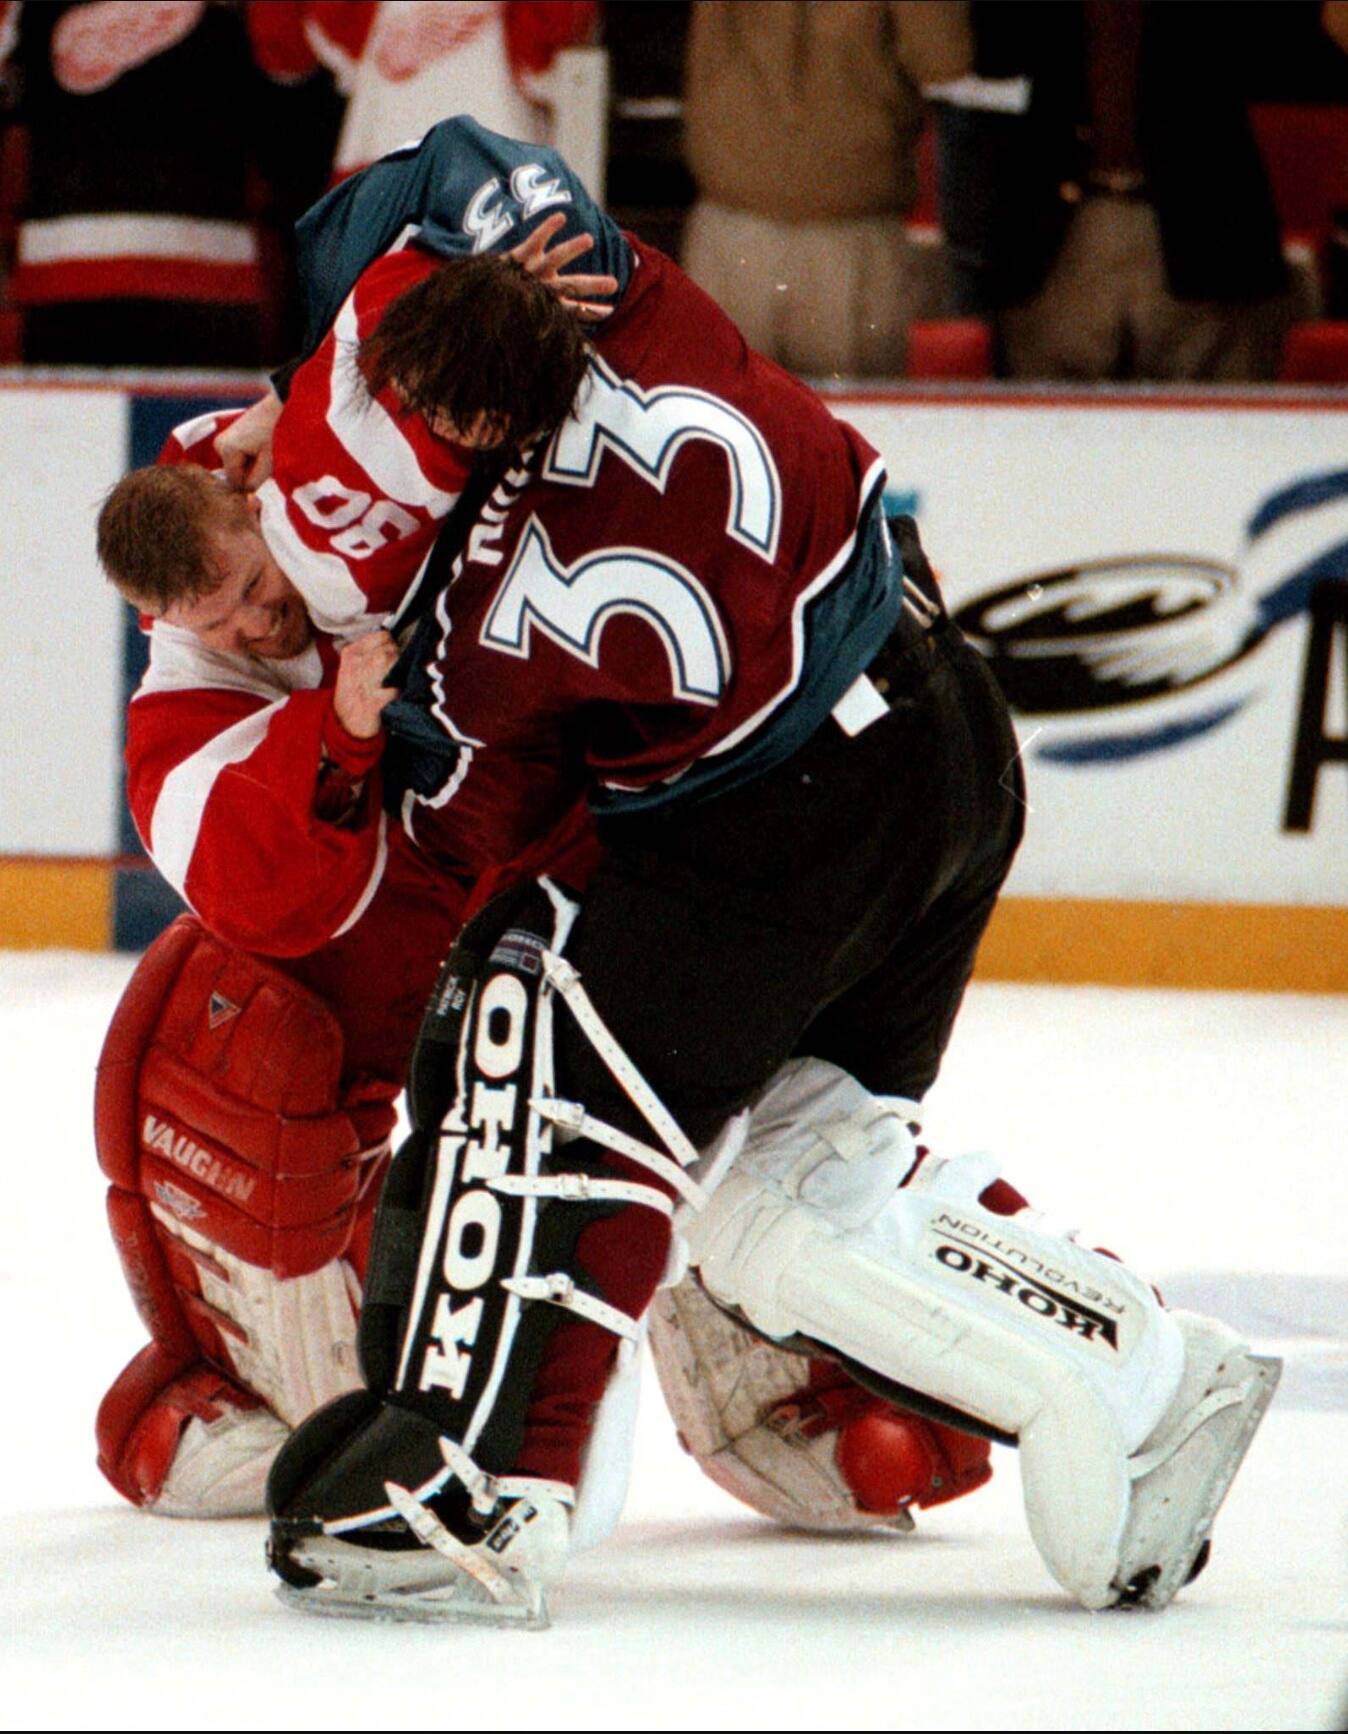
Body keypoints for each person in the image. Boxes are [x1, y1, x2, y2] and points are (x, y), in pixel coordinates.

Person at [259, 155, 1278, 1624]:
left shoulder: (482, 630)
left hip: (790, 830)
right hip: (946, 730)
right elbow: (459, 168)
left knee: (529, 1033)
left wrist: (362, 713)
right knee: (794, 1191)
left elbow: (476, 823)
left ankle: (472, 1488)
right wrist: (482, 266)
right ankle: (1154, 1377)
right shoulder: (626, 293)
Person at [91, 162, 987, 1533]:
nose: (269, 624)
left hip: (592, 826)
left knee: (685, 1073)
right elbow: (246, 886)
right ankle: (268, 1373)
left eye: (265, 589)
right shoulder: (214, 641)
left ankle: (836, 1365)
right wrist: (335, 734)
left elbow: (435, 203)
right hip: (439, 872)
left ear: (252, 485)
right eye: (228, 622)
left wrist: (491, 255)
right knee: (220, 1037)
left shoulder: (343, 434)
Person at [680, 0, 970, 379]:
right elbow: (944, 58)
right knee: (718, 404)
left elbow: (944, 59)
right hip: (784, 224)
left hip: (832, 230)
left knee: (839, 409)